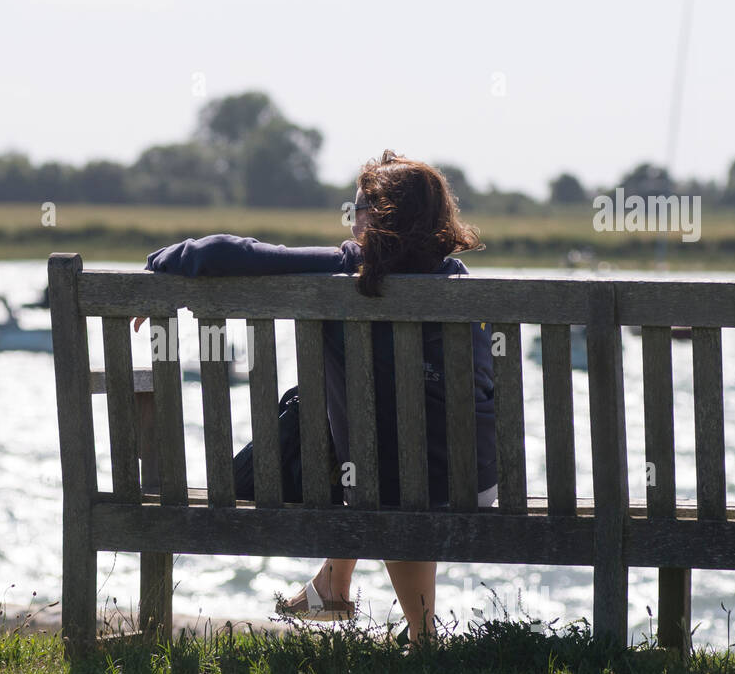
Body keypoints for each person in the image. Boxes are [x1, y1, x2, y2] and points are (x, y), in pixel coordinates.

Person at [134, 150, 497, 642]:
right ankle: (334, 583)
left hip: (393, 484)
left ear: (381, 218)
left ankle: (422, 637)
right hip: (477, 482)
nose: (351, 220)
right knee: (390, 427)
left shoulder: (349, 270)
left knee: (387, 459)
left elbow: (222, 253)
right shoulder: (458, 279)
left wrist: (157, 267)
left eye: (359, 210)